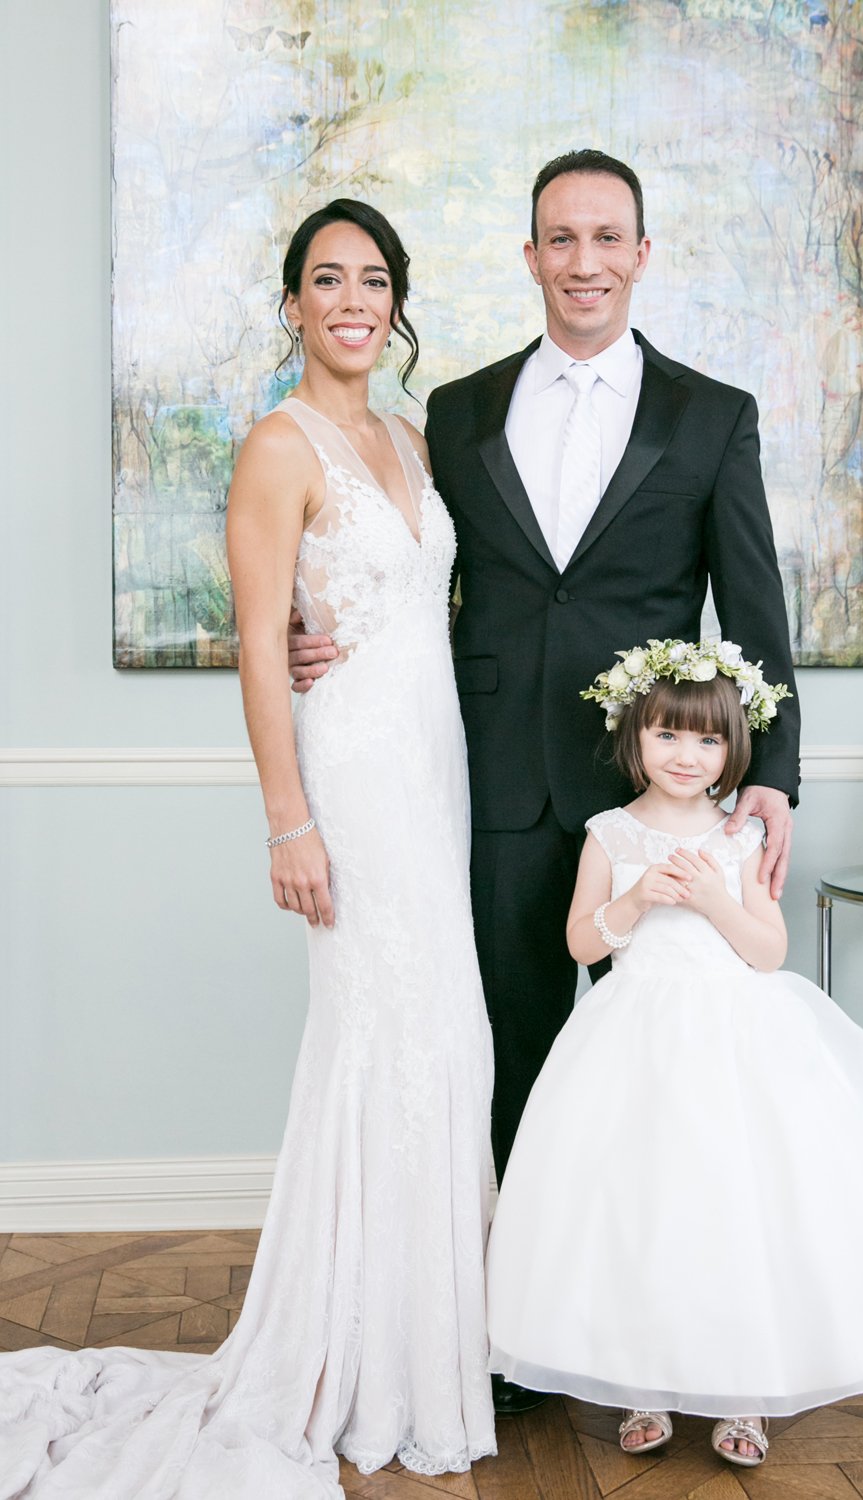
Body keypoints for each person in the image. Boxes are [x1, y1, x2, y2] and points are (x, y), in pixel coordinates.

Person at [289, 149, 801, 1412]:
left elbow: (753, 604)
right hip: (489, 785)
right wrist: (314, 629)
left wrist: (773, 778)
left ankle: (668, 1337)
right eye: (559, 240)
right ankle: (524, 1334)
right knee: (509, 1062)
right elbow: (394, 553)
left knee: (666, 1077)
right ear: (529, 257)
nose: (583, 262)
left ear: (641, 254)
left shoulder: (711, 414)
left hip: (660, 805)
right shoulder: (457, 413)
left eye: (605, 238)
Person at [0, 201, 496, 1497]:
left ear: (396, 303)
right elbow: (259, 646)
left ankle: (426, 1348)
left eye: (373, 279)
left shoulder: (409, 437)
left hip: (435, 765)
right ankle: (349, 1363)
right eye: (327, 279)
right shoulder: (279, 447)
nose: (352, 300)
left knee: (446, 1037)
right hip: (355, 778)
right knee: (379, 1039)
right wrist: (290, 817)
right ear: (292, 306)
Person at [484, 639, 863, 1467]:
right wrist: (637, 899)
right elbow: (581, 944)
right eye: (668, 736)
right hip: (633, 1040)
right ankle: (640, 1385)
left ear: (733, 748)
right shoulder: (609, 834)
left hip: (735, 1041)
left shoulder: (742, 835)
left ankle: (744, 1390)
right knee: (639, 1209)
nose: (687, 756)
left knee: (737, 1209)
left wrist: (716, 900)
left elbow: (767, 952)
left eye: (708, 740)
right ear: (634, 736)